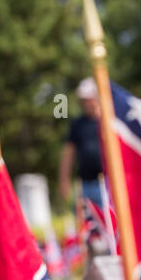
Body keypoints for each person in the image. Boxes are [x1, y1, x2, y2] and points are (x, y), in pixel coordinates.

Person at [58, 78, 105, 219]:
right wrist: (64, 180)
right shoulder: (77, 124)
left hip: (105, 183)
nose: (84, 103)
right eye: (82, 100)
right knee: (86, 225)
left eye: (87, 99)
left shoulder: (106, 121)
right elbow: (68, 153)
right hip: (85, 185)